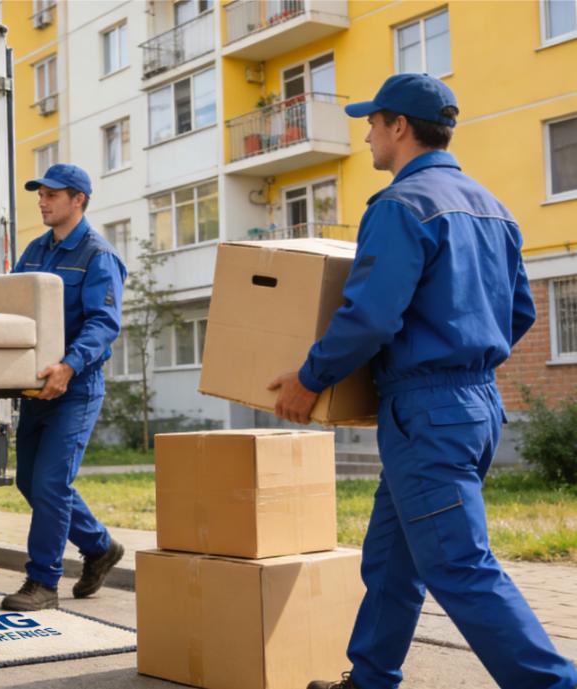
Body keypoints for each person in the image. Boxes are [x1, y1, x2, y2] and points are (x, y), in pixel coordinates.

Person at [267, 74, 577, 689]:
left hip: (427, 412)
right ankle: (371, 678)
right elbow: (520, 313)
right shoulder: (493, 207)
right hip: (474, 404)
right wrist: (462, 355)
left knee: (459, 565)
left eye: (373, 123)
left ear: (400, 126)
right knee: (392, 558)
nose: (367, 135)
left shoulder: (399, 205)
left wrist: (310, 378)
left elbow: (370, 316)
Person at [0, 164, 127, 612]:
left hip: (76, 387)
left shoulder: (98, 256)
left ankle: (43, 582)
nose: (42, 201)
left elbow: (103, 324)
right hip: (39, 386)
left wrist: (69, 367)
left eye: (52, 194)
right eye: (40, 194)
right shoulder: (36, 250)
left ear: (79, 200)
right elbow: (13, 302)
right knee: (30, 481)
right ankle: (100, 547)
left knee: (52, 483)